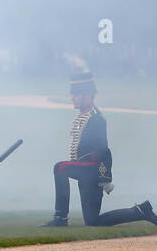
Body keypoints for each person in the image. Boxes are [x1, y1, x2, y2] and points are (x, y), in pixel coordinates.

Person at [41, 72, 157, 227]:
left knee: (60, 168)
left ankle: (60, 218)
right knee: (93, 221)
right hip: (85, 171)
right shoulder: (85, 116)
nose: (72, 98)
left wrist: (104, 176)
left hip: (92, 169)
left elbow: (103, 150)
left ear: (86, 95)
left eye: (75, 94)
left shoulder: (96, 119)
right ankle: (140, 211)